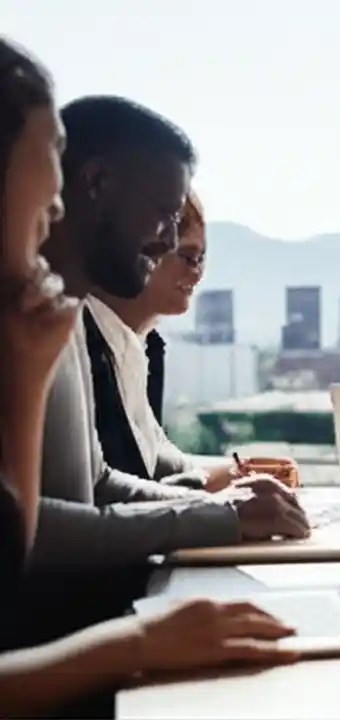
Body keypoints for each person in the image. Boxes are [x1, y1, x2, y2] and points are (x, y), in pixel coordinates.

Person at [0, 36, 297, 718]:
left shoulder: (53, 317)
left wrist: (218, 512)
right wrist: (137, 639)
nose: (54, 201)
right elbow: (32, 536)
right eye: (47, 165)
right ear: (97, 183)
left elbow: (89, 486)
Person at [84, 190, 296, 490]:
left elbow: (161, 465)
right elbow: (109, 491)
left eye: (201, 259)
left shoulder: (142, 347)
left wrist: (242, 474)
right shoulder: (83, 343)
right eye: (188, 257)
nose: (197, 274)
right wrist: (231, 506)